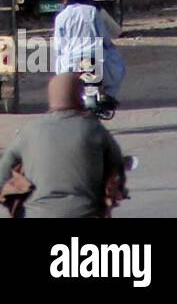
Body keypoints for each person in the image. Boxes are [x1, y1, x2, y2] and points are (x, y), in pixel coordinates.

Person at [0, 74, 126, 218]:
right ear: (80, 97)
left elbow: (3, 173)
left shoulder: (30, 130)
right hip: (85, 213)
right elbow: (117, 165)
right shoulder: (93, 129)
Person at [52, 0, 126, 103]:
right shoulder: (92, 10)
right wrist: (109, 47)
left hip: (70, 61)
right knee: (119, 69)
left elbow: (58, 44)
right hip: (93, 56)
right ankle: (108, 96)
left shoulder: (61, 16)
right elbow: (102, 36)